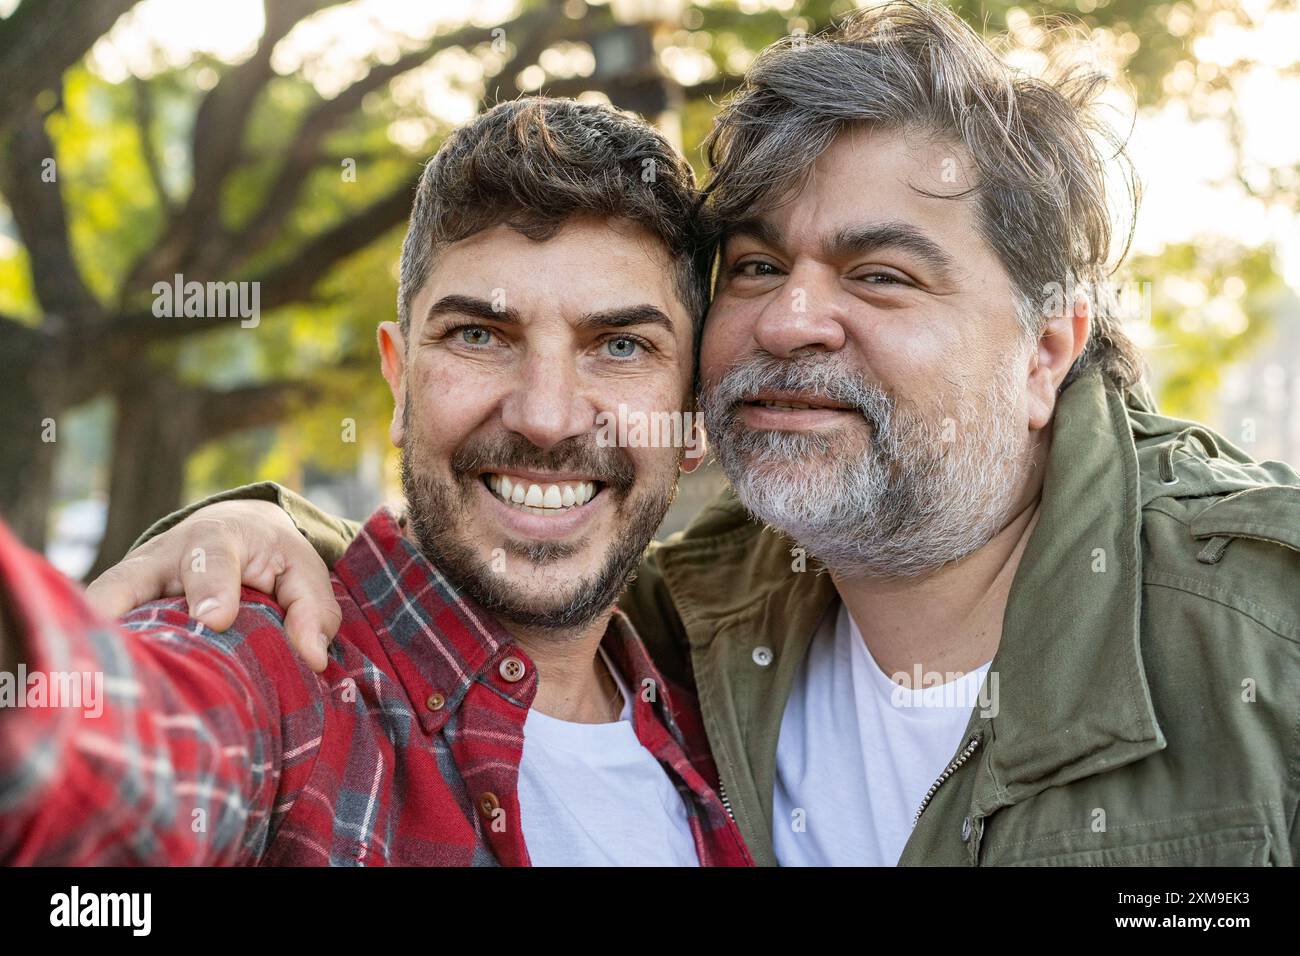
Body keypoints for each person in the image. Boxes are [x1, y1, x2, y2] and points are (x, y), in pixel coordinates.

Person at [90, 2, 1300, 866]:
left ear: (1046, 348)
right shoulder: (699, 614)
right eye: (760, 263)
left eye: (880, 274)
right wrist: (260, 525)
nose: (790, 317)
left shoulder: (1263, 638)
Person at [0, 98, 749, 866]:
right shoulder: (275, 661)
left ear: (694, 415)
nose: (546, 417)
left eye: (621, 345)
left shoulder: (727, 728)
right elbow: (106, 768)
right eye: (479, 335)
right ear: (398, 381)